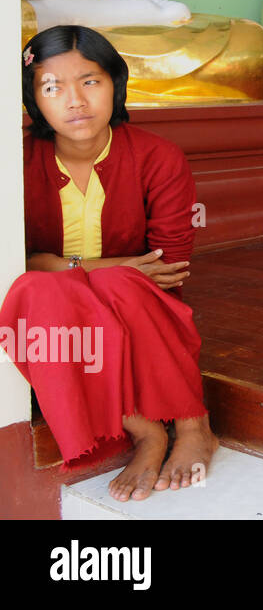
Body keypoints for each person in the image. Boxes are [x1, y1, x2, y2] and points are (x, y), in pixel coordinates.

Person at [2, 25, 217, 501]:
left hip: (139, 308)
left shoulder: (158, 157)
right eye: (51, 86)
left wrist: (56, 263)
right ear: (32, 98)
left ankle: (193, 425)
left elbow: (169, 267)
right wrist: (90, 267)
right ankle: (145, 431)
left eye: (90, 81)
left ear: (116, 84)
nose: (74, 100)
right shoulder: (14, 159)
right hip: (60, 313)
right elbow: (17, 268)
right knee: (39, 291)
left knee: (116, 284)